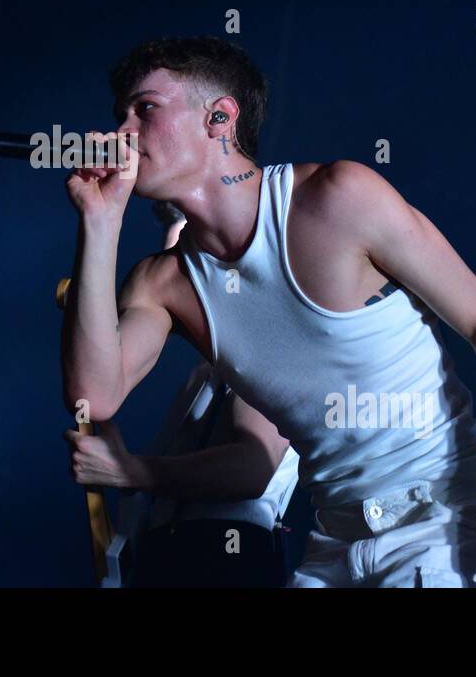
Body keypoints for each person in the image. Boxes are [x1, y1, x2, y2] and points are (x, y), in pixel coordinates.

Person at [60, 35, 476, 587]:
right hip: (336, 543)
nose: (121, 133)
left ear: (219, 117)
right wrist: (99, 223)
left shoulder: (338, 197)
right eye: (119, 115)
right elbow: (93, 394)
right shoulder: (163, 282)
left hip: (453, 521)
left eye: (145, 109)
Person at [65, 201, 301, 586]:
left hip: (226, 558)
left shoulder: (272, 341)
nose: (171, 246)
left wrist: (129, 471)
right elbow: (92, 391)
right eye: (170, 226)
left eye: (187, 227)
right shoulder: (208, 369)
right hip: (169, 551)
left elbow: (251, 469)